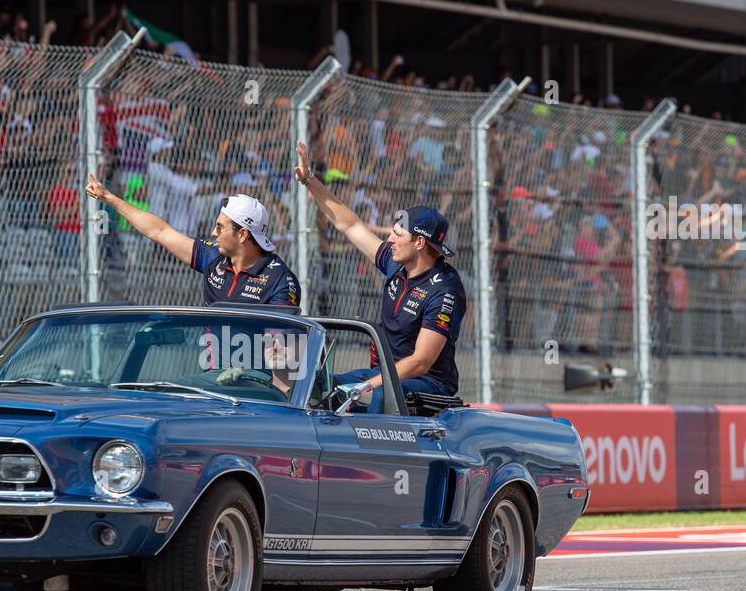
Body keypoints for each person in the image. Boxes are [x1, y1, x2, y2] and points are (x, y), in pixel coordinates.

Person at [292, 140, 466, 413]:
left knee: (379, 395)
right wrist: (309, 180)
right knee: (320, 389)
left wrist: (367, 386)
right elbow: (349, 224)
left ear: (420, 243)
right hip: (386, 375)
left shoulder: (445, 289)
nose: (390, 238)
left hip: (427, 383)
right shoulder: (396, 264)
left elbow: (421, 363)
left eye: (398, 234)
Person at [85, 173, 300, 307]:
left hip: (255, 378)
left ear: (242, 234)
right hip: (210, 377)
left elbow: (282, 353)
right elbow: (160, 231)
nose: (213, 234)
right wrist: (108, 198)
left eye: (220, 228)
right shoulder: (213, 257)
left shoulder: (279, 278)